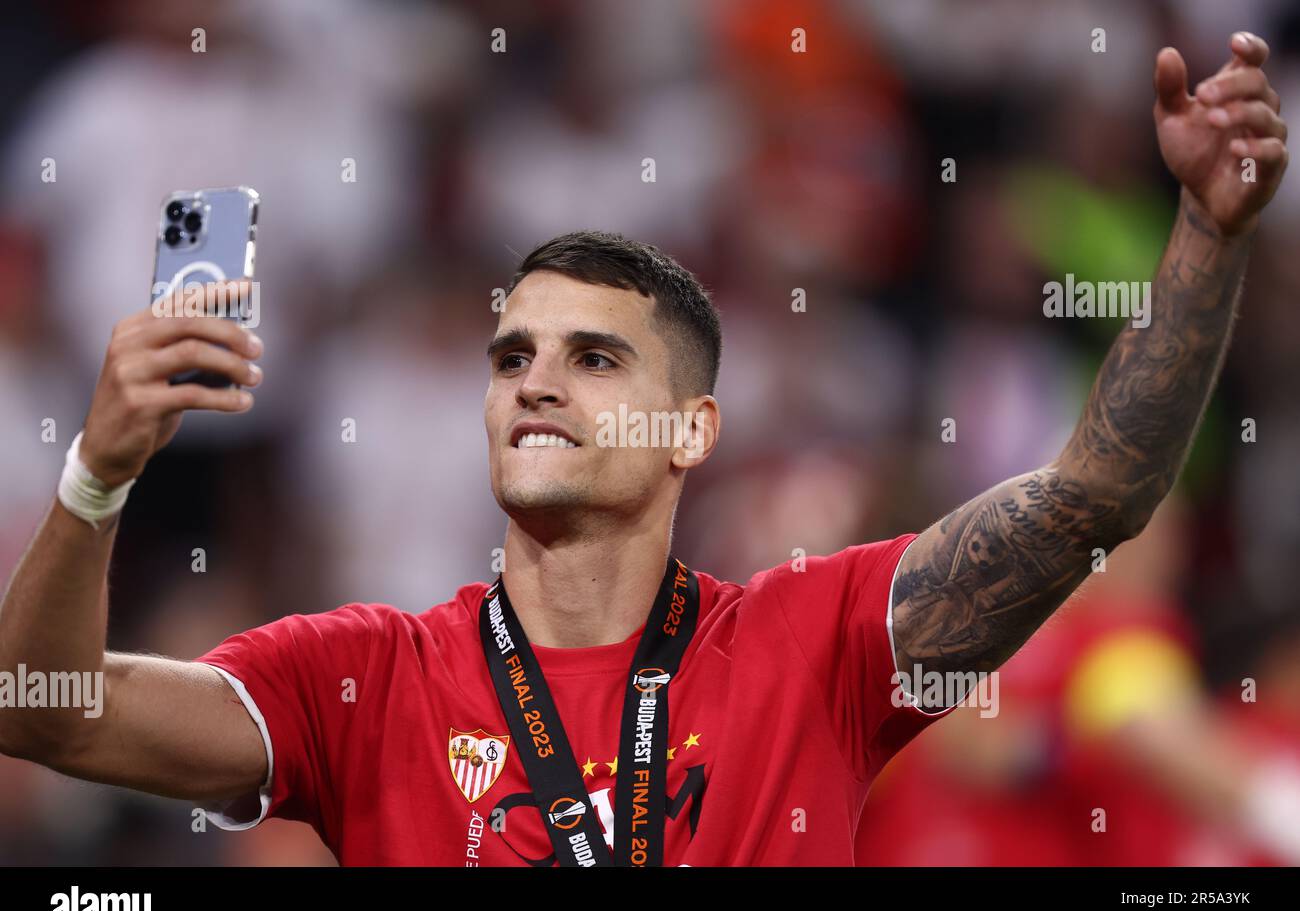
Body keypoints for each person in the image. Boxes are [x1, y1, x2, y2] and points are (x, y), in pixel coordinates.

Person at [0, 33, 1287, 866]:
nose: (535, 383)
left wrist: (1207, 242)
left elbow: (1095, 496)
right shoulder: (364, 678)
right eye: (512, 356)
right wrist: (98, 474)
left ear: (692, 431)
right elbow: (38, 711)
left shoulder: (814, 642)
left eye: (593, 356)